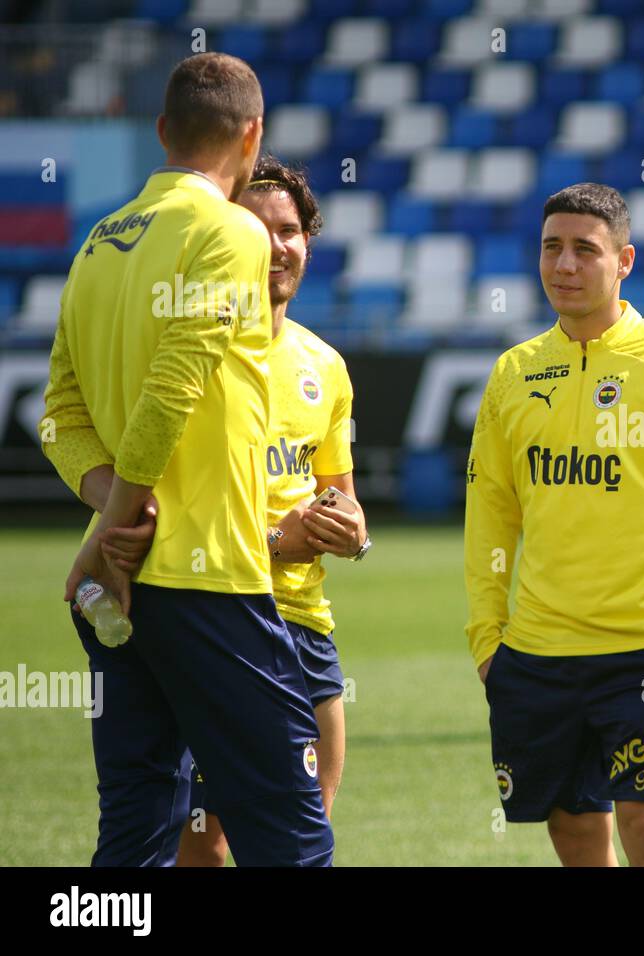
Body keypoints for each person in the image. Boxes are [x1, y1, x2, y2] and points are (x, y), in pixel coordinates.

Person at [40, 53, 332, 865]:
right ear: (253, 134)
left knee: (134, 838)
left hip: (119, 587)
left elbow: (59, 419)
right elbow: (176, 385)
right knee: (293, 841)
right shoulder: (232, 230)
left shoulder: (96, 242)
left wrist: (110, 516)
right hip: (211, 587)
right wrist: (120, 520)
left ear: (162, 132)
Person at [464, 183, 644, 866]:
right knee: (573, 827)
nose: (565, 265)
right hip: (537, 652)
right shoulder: (513, 373)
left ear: (625, 260)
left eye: (586, 249)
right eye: (552, 248)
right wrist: (489, 636)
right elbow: (492, 512)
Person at [174, 156, 368, 866]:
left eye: (290, 229)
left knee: (307, 829)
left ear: (308, 242)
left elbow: (339, 494)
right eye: (258, 228)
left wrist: (352, 530)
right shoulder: (193, 354)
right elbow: (162, 511)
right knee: (206, 840)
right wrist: (274, 542)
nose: (277, 245)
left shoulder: (326, 365)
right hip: (213, 616)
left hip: (305, 627)